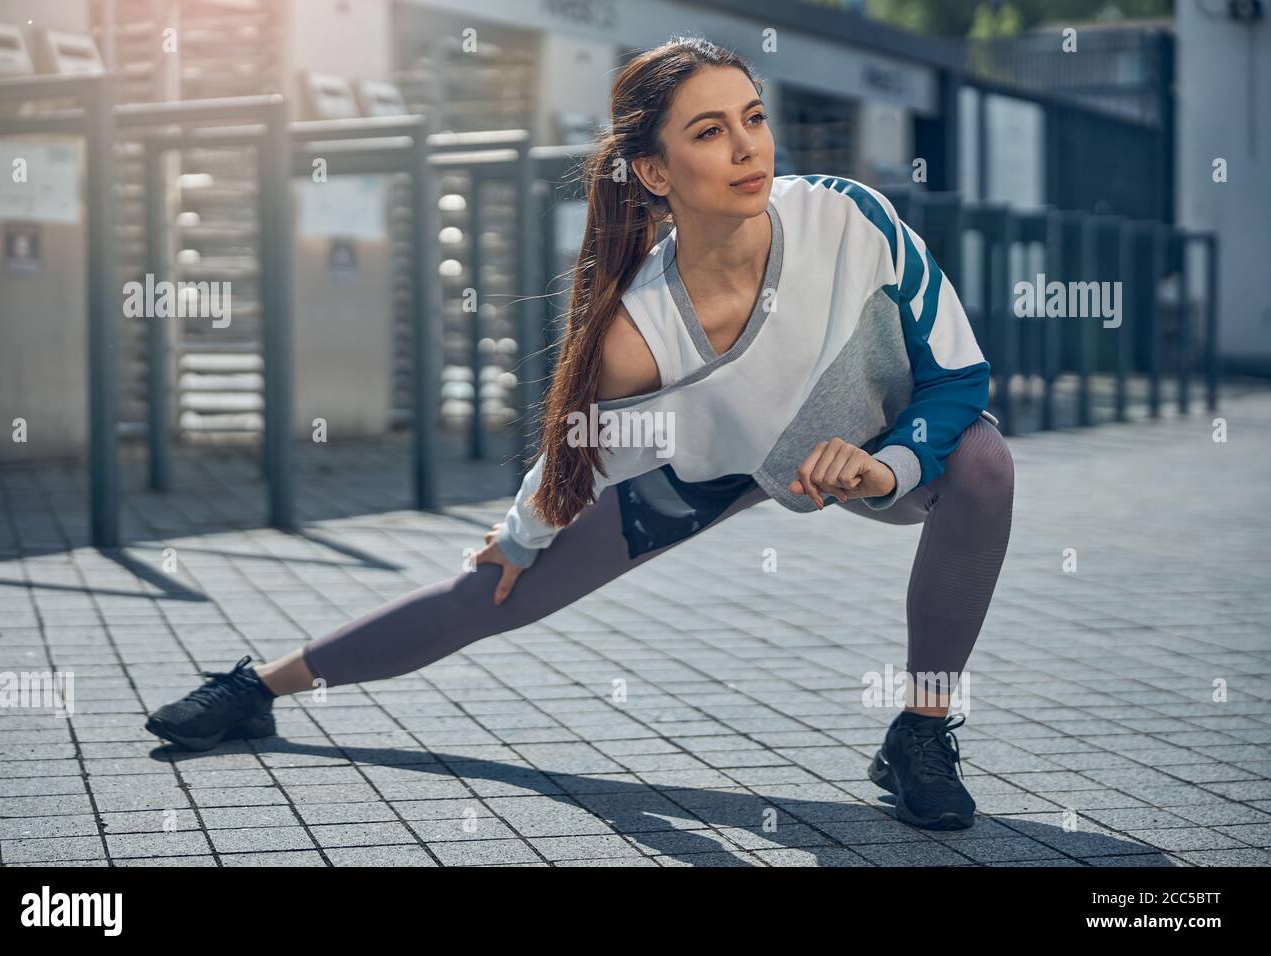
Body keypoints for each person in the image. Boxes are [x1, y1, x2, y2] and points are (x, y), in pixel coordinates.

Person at [145, 36, 1014, 832]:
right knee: (487, 595)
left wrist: (888, 465)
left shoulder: (849, 218)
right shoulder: (639, 330)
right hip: (728, 463)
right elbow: (578, 449)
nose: (749, 147)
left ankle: (921, 733)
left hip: (886, 447)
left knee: (984, 462)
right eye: (710, 132)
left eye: (753, 118)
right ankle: (255, 688)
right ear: (656, 172)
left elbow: (959, 376)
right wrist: (522, 537)